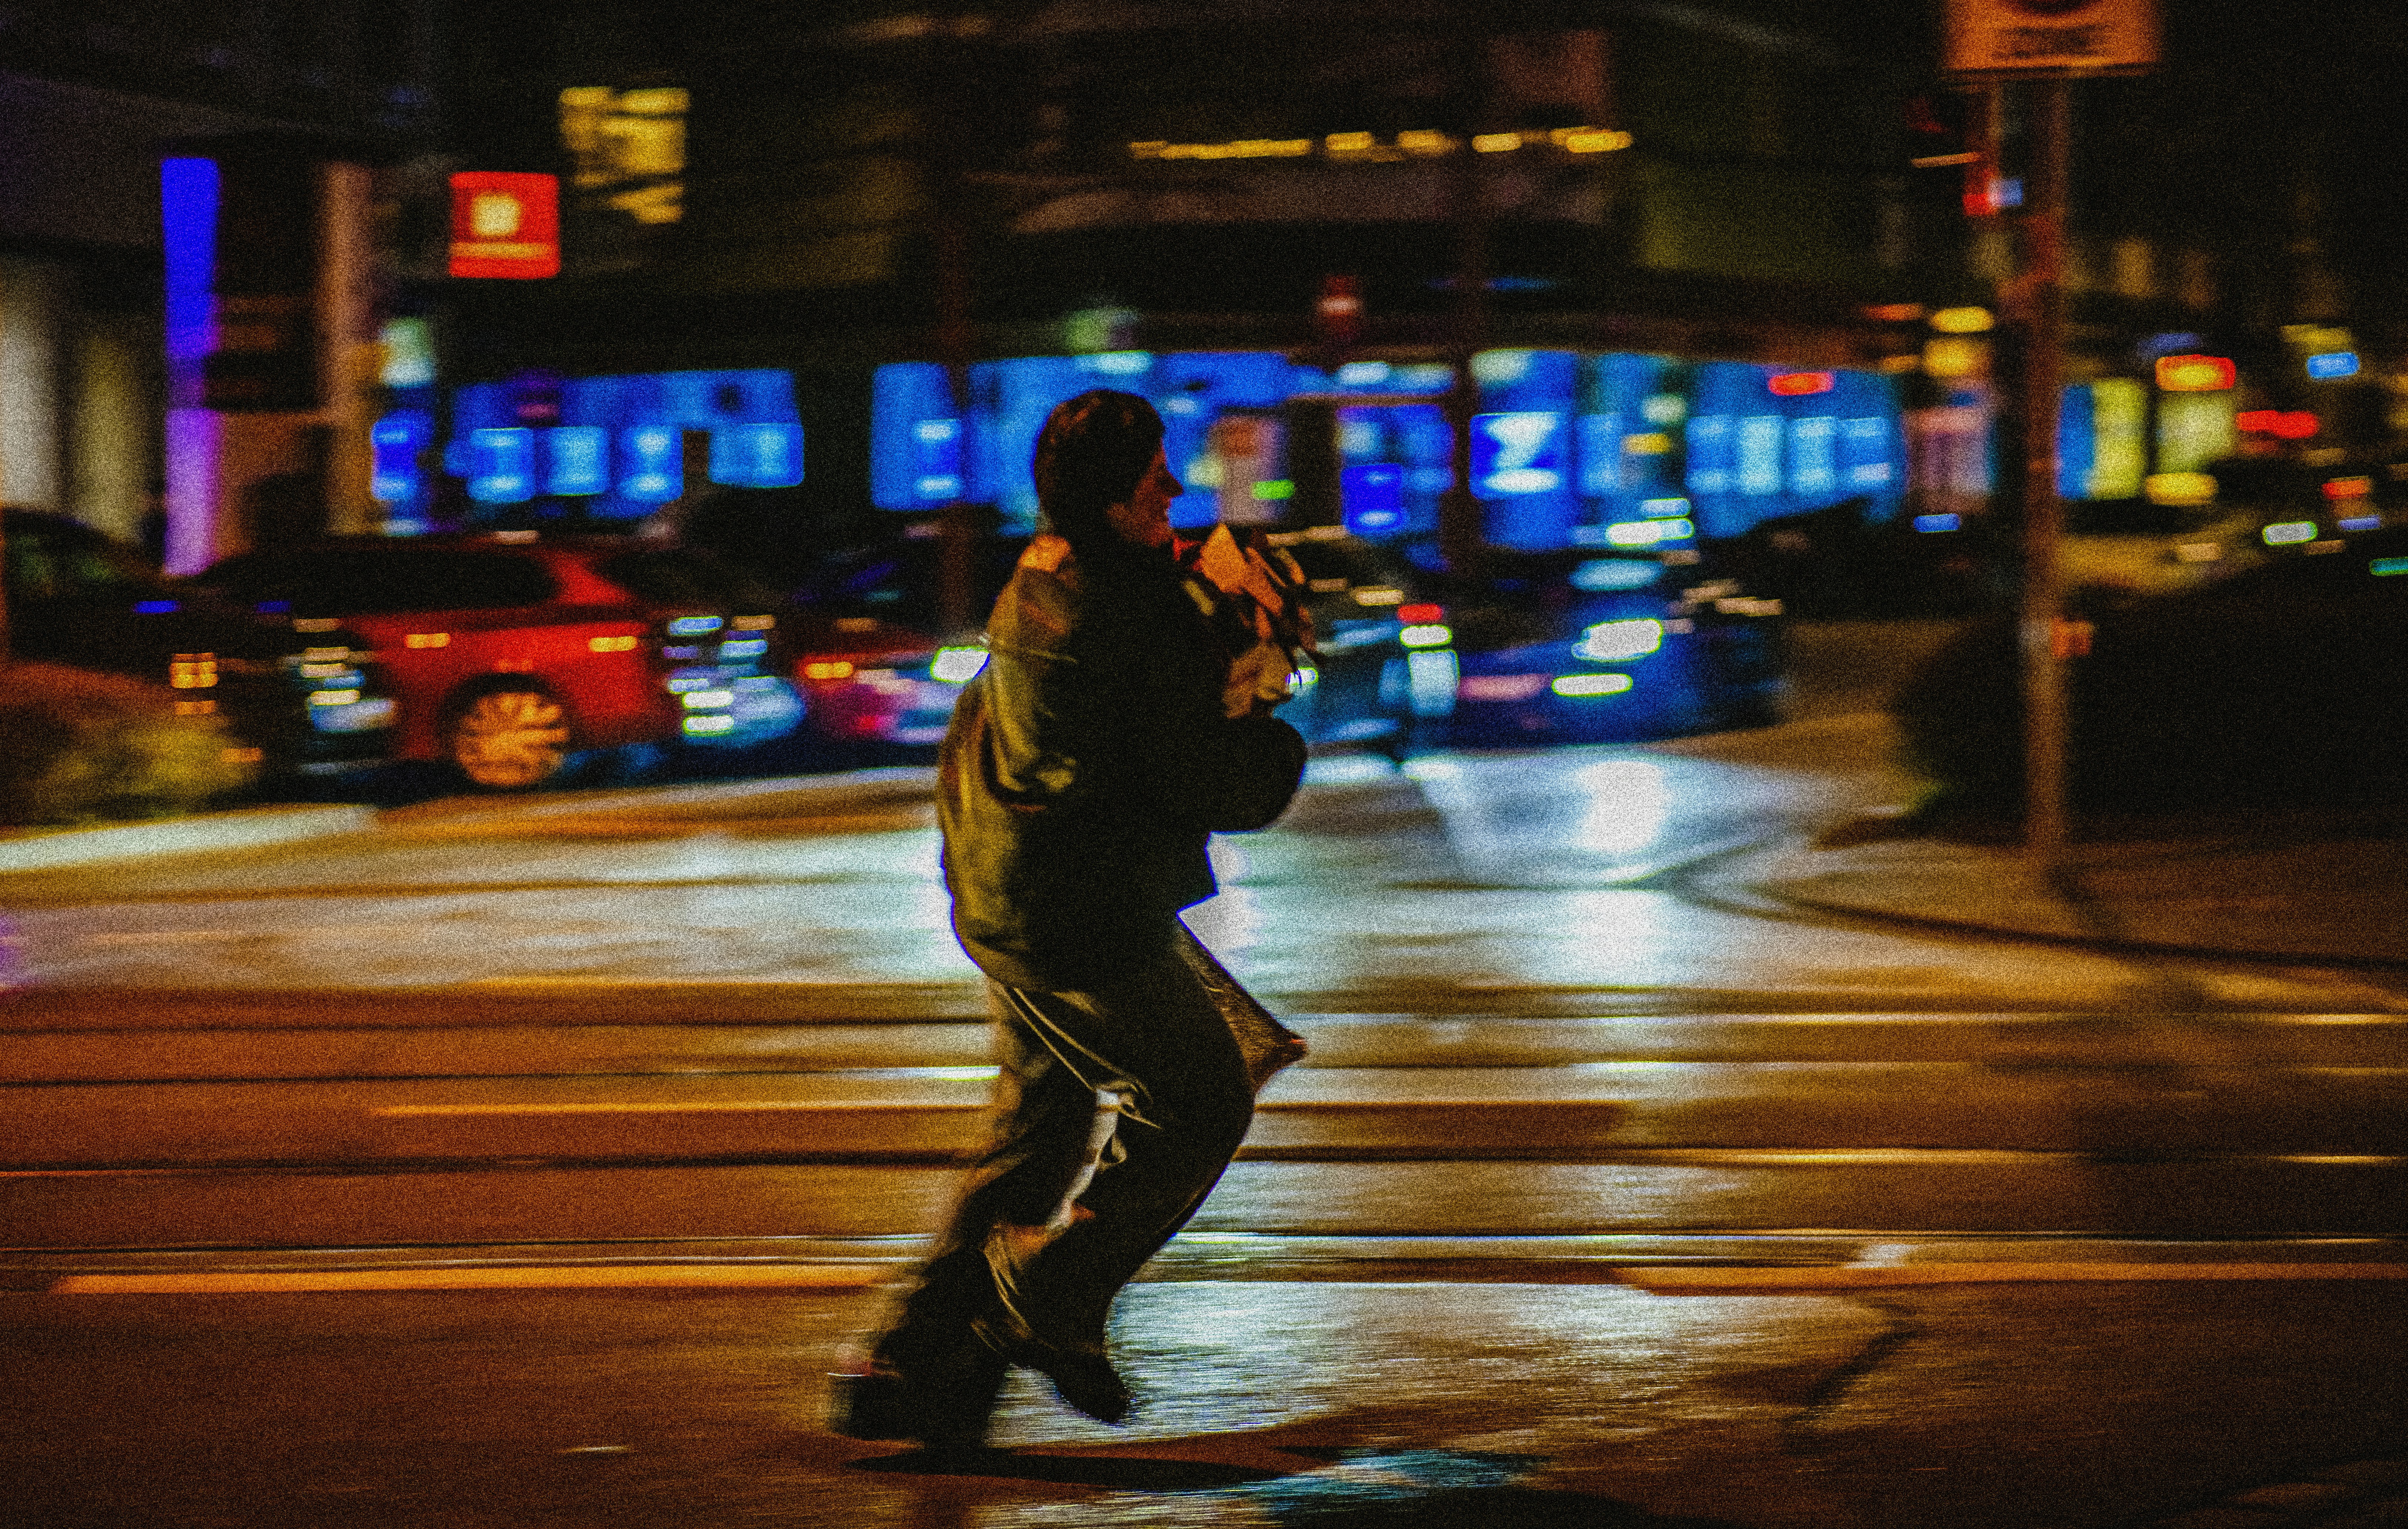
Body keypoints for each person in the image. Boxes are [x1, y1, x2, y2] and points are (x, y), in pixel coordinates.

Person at [832, 389, 1311, 1453]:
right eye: (1154, 480)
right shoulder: (1125, 617)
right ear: (1111, 497)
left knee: (1040, 1131)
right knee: (1200, 1097)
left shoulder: (1044, 576)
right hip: (1077, 915)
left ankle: (918, 1366)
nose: (1175, 493)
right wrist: (1269, 707)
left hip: (1003, 883)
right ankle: (1048, 1288)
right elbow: (1209, 777)